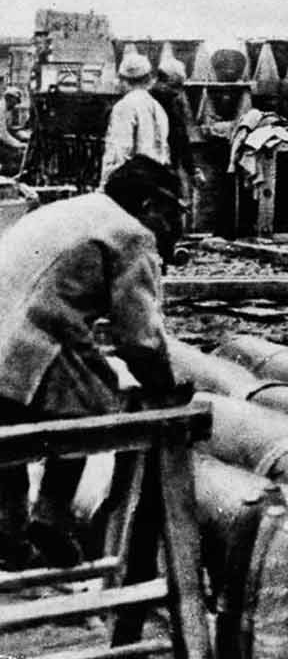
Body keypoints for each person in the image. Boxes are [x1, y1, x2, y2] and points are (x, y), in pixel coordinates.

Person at [0, 155, 185, 568]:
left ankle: (11, 539)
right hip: (25, 344)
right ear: (148, 206)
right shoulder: (131, 233)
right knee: (90, 399)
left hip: (10, 336)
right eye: (170, 214)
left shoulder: (72, 210)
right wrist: (165, 391)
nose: (171, 227)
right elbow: (139, 338)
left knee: (9, 436)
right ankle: (49, 519)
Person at [100, 53, 170, 187]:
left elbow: (119, 151)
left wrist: (105, 185)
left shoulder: (125, 106)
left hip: (131, 184)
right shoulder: (157, 107)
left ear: (124, 80)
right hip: (155, 183)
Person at [150, 58, 199, 213]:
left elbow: (180, 136)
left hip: (162, 163)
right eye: (175, 86)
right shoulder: (163, 101)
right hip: (160, 164)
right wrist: (191, 169)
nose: (177, 92)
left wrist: (191, 169)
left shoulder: (165, 99)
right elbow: (179, 137)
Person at [0, 88, 25, 177]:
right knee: (14, 157)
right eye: (16, 101)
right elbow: (2, 134)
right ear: (9, 98)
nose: (16, 104)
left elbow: (9, 128)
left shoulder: (6, 109)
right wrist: (18, 144)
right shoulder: (1, 109)